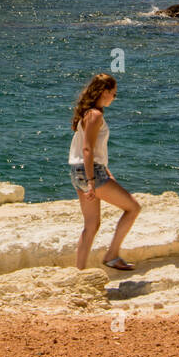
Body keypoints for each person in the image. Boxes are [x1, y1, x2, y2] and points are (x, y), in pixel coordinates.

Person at [69, 73, 140, 271]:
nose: (114, 98)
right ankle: (112, 255)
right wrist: (92, 181)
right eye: (113, 94)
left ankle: (80, 272)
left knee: (91, 225)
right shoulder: (95, 115)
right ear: (104, 92)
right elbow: (87, 149)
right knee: (133, 208)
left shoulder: (88, 113)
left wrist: (106, 170)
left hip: (78, 171)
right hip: (89, 172)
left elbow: (92, 150)